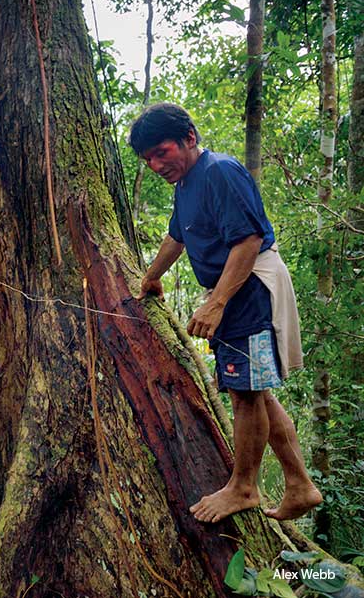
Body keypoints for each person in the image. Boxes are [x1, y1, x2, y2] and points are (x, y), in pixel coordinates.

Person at [129, 103, 322, 523]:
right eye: (148, 159)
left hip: (248, 289)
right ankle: (300, 486)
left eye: (161, 152)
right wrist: (151, 277)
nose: (156, 165)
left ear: (189, 138)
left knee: (246, 395)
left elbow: (248, 241)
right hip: (235, 292)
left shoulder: (219, 171)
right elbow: (177, 237)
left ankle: (244, 488)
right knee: (254, 391)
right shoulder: (186, 184)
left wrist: (215, 304)